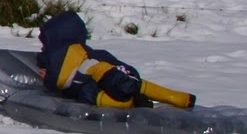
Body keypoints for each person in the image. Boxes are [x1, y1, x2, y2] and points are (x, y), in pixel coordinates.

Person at [37, 11, 195, 110]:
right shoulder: (77, 53)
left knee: (92, 93)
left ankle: (132, 101)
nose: (43, 49)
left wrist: (49, 79)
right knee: (132, 84)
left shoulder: (63, 56)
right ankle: (176, 97)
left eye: (44, 44)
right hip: (118, 76)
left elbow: (61, 78)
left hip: (105, 84)